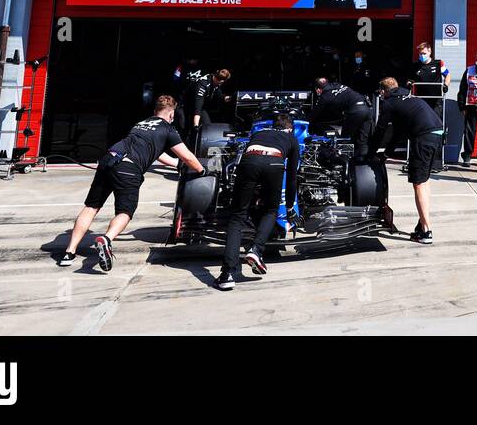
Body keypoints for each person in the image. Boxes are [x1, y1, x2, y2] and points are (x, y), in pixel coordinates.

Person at [59, 95, 204, 269]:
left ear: (154, 111)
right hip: (128, 168)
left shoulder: (141, 124)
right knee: (125, 212)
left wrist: (176, 164)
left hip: (108, 159)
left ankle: (69, 252)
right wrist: (202, 170)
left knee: (91, 207)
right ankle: (106, 239)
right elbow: (187, 156)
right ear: (172, 114)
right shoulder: (168, 129)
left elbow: (154, 151)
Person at [215, 108, 301, 290]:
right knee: (271, 210)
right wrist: (291, 205)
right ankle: (256, 250)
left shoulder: (259, 133)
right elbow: (292, 177)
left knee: (237, 216)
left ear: (274, 126)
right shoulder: (292, 139)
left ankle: (226, 274)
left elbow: (251, 163)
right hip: (275, 162)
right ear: (290, 129)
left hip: (249, 161)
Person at [369, 78, 443, 243]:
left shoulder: (390, 103)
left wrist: (370, 153)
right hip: (438, 133)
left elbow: (381, 129)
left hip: (423, 137)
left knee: (418, 184)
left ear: (383, 91)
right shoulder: (409, 97)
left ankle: (426, 231)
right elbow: (398, 133)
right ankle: (421, 223)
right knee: (424, 181)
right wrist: (387, 154)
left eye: (380, 92)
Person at [312, 77, 374, 160]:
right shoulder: (337, 85)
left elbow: (315, 114)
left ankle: (344, 162)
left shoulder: (325, 97)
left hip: (355, 112)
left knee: (345, 139)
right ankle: (363, 162)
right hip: (367, 109)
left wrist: (305, 120)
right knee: (363, 140)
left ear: (318, 90)